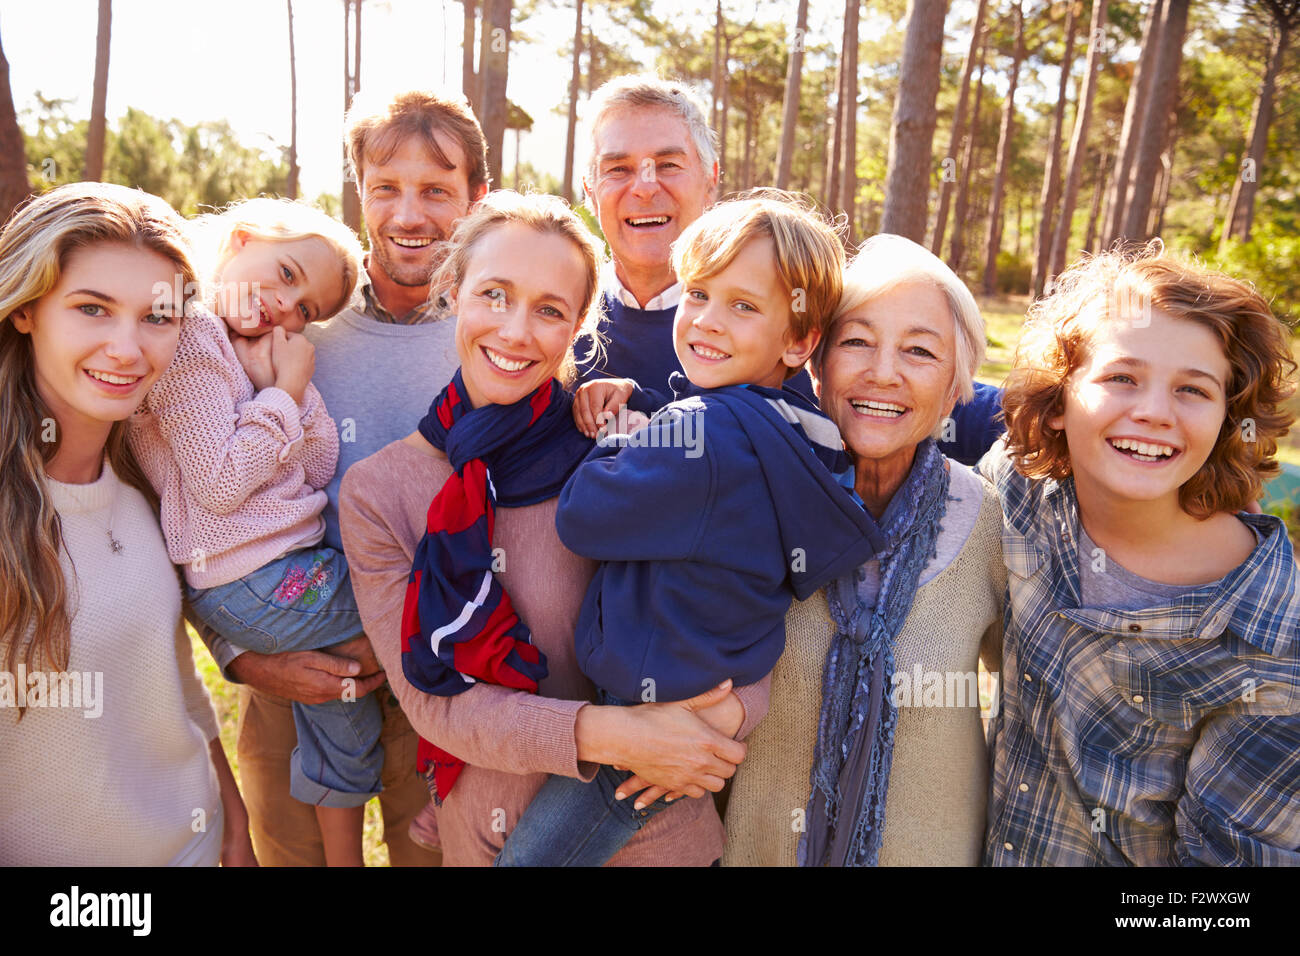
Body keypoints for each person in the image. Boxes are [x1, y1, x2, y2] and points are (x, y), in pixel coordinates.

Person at [339, 190, 767, 866]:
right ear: (452, 291)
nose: (514, 332)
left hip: (653, 833)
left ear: (578, 326)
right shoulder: (378, 494)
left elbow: (741, 618)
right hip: (491, 839)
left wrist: (715, 725)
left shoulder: (630, 447)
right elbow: (437, 704)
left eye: (548, 310)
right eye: (494, 295)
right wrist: (617, 734)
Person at [490, 193, 887, 867]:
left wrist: (619, 441)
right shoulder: (804, 438)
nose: (706, 320)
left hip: (647, 715)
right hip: (705, 692)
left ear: (799, 340)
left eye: (743, 305)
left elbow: (585, 517)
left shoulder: (705, 429)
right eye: (698, 293)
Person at [201, 89, 489, 866]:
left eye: (437, 190)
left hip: (444, 688)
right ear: (360, 191)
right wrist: (242, 655)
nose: (408, 214)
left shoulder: (500, 336)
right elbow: (194, 496)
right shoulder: (291, 323)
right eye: (386, 187)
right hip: (293, 669)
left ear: (476, 198)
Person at [981, 246, 1300, 865]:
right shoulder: (1021, 493)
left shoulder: (1272, 639)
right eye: (1121, 377)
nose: (1153, 412)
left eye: (1193, 390)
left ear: (1229, 419)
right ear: (1057, 401)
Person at [723, 235, 1006, 867]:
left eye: (919, 351)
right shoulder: (755, 497)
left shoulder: (991, 521)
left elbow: (1037, 697)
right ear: (815, 363)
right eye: (856, 342)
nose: (883, 372)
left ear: (959, 382)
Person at [0, 182, 254, 865]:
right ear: (26, 310)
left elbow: (171, 682)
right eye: (93, 309)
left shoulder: (148, 476)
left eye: (156, 317)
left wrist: (234, 830)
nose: (128, 348)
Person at [571, 74, 1003, 464]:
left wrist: (1046, 405)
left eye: (668, 165)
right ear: (590, 191)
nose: (645, 187)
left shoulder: (789, 308)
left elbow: (934, 390)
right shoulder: (557, 324)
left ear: (710, 178)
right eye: (618, 169)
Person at [128, 197, 376, 866]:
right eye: (287, 273)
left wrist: (286, 387)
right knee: (414, 603)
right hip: (254, 577)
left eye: (306, 312)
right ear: (241, 238)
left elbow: (319, 463)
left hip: (272, 572)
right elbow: (218, 483)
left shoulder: (257, 353)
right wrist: (283, 397)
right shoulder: (194, 335)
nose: (286, 310)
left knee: (346, 698)